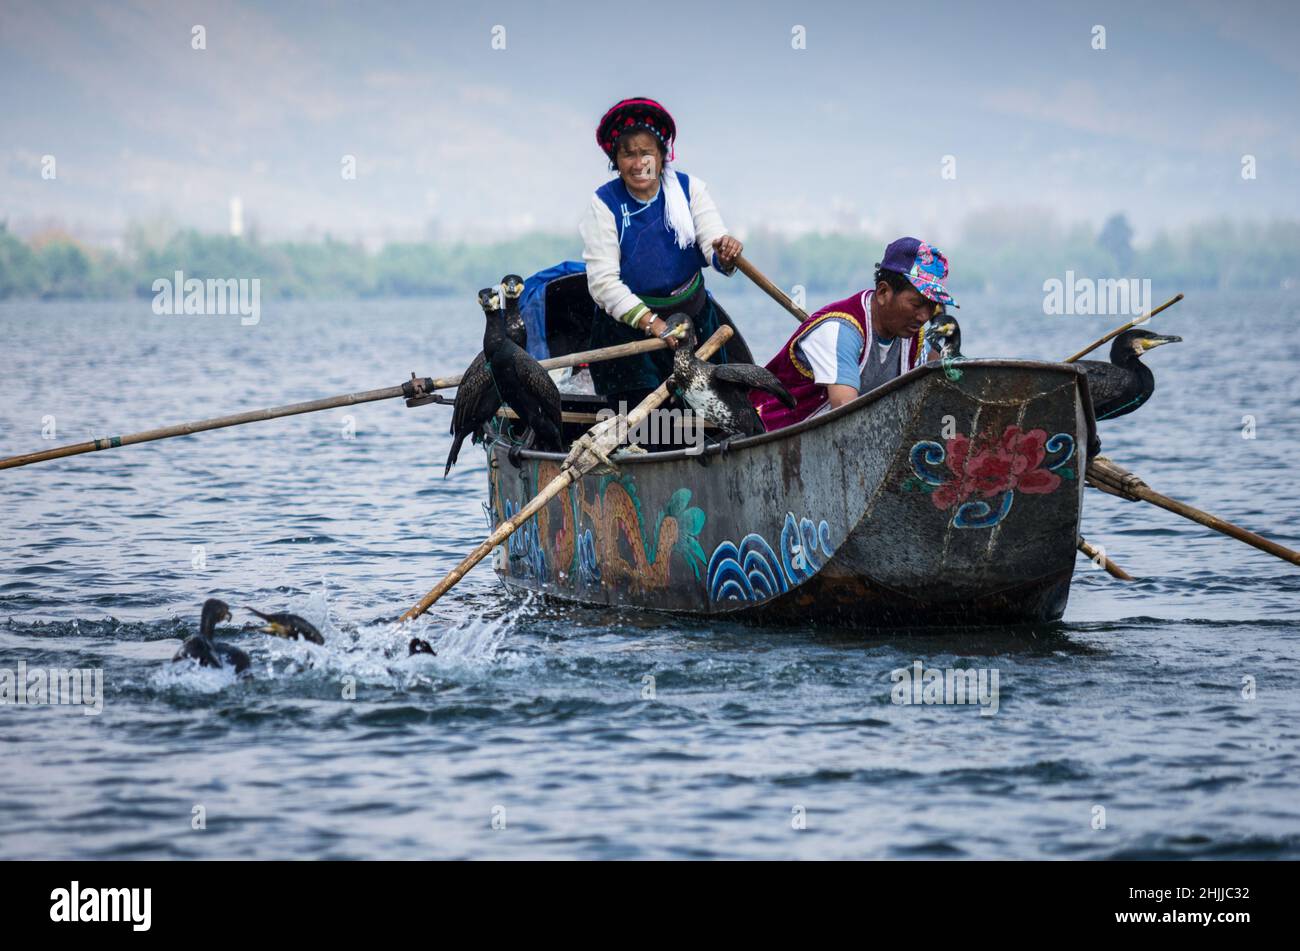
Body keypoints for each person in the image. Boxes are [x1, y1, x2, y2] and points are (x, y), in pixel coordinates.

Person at [580, 96, 743, 409]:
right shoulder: (604, 204)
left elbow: (713, 244)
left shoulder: (690, 189)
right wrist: (655, 325)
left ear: (662, 156)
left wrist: (725, 252)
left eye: (646, 153)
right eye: (628, 154)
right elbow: (603, 284)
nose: (639, 163)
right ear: (616, 159)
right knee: (647, 427)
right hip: (629, 336)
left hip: (694, 323)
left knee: (708, 412)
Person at [750, 238, 957, 430]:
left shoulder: (914, 335)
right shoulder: (840, 331)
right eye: (917, 304)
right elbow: (846, 416)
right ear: (884, 292)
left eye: (932, 307)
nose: (923, 316)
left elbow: (936, 392)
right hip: (768, 435)